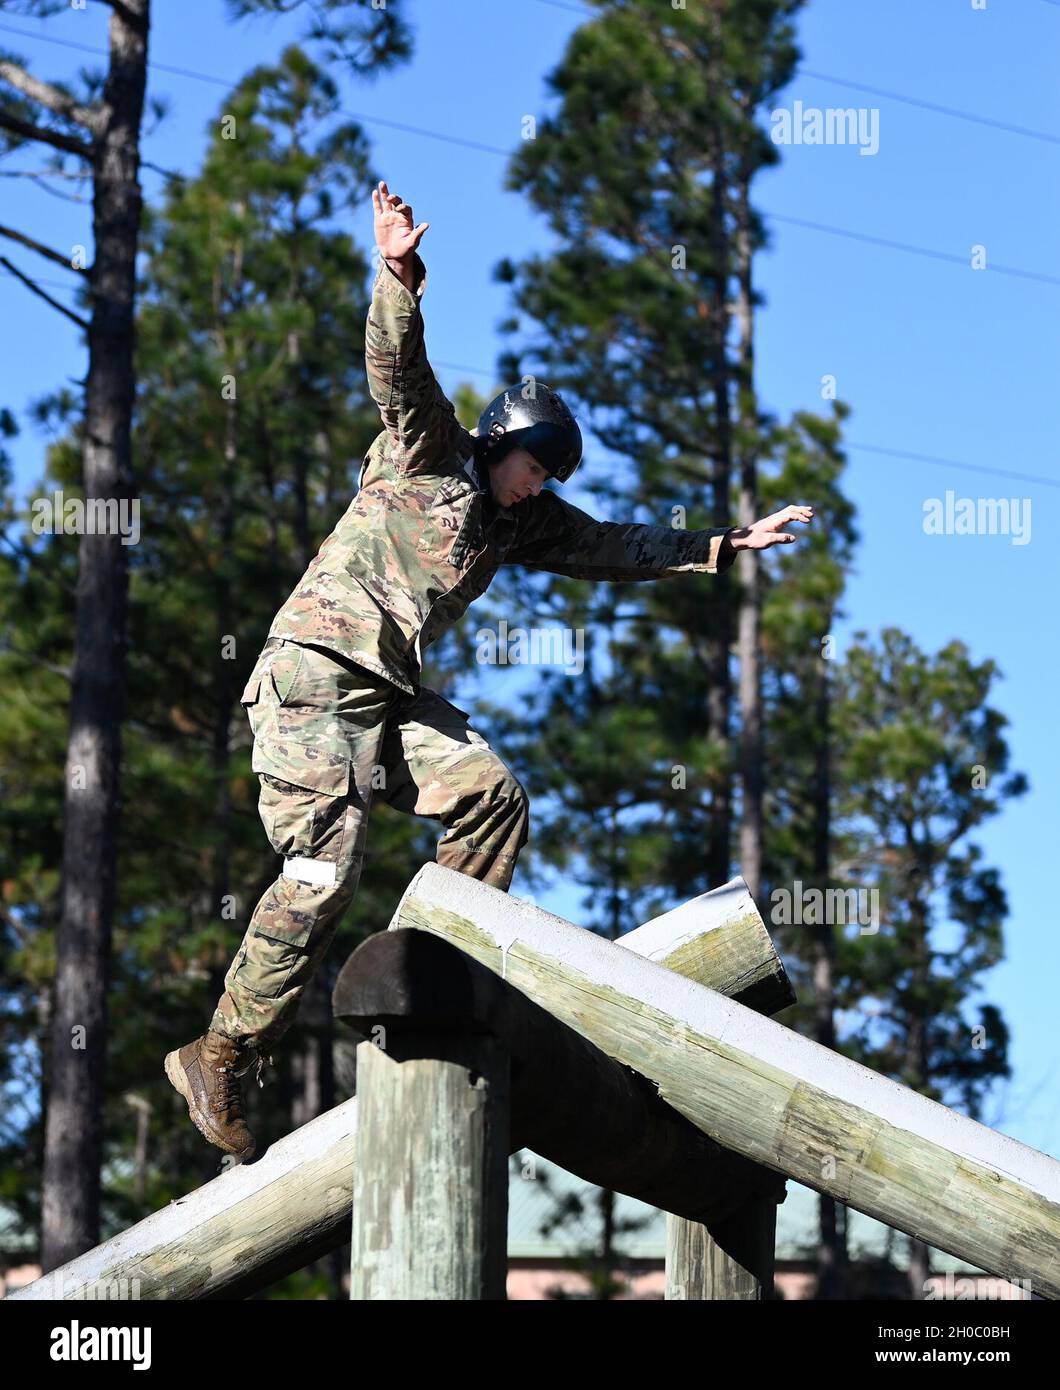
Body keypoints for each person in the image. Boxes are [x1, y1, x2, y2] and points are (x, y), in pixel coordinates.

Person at [165, 180, 814, 1159]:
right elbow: (396, 366)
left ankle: (430, 973)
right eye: (535, 466)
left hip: (385, 697)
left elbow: (611, 545)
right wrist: (397, 274)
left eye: (550, 479)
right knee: (319, 869)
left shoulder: (521, 523)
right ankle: (221, 1050)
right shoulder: (429, 448)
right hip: (314, 671)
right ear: (505, 440)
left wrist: (721, 544)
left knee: (492, 796)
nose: (538, 489)